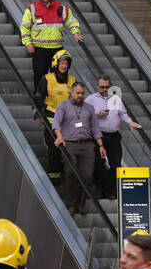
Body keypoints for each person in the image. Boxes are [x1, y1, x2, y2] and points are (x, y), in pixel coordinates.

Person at [51, 82, 106, 215]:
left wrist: (101, 145)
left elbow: (95, 128)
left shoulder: (89, 108)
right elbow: (56, 124)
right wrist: (60, 137)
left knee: (87, 176)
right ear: (71, 92)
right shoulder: (63, 106)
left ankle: (80, 204)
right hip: (70, 144)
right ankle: (70, 204)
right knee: (70, 173)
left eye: (82, 93)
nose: (80, 95)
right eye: (78, 93)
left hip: (87, 145)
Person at [85, 76, 142, 200]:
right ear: (97, 86)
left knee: (116, 164)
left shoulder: (115, 98)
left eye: (106, 87)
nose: (104, 89)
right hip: (99, 136)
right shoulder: (91, 99)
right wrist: (97, 114)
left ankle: (110, 189)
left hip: (114, 136)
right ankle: (100, 189)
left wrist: (130, 122)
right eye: (102, 87)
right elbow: (84, 115)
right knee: (98, 163)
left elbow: (122, 113)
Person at [21, 0, 84, 81]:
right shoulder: (32, 8)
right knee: (39, 74)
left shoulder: (61, 8)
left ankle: (58, 96)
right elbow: (24, 27)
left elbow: (72, 21)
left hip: (57, 49)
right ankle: (39, 96)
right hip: (39, 49)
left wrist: (75, 33)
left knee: (59, 75)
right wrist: (28, 43)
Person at [33, 49, 77, 183]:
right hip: (51, 119)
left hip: (68, 121)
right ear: (56, 64)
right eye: (62, 63)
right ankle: (54, 177)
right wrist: (37, 114)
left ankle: (64, 173)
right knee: (53, 147)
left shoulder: (73, 80)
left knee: (68, 148)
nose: (64, 66)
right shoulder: (47, 79)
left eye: (66, 63)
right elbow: (39, 97)